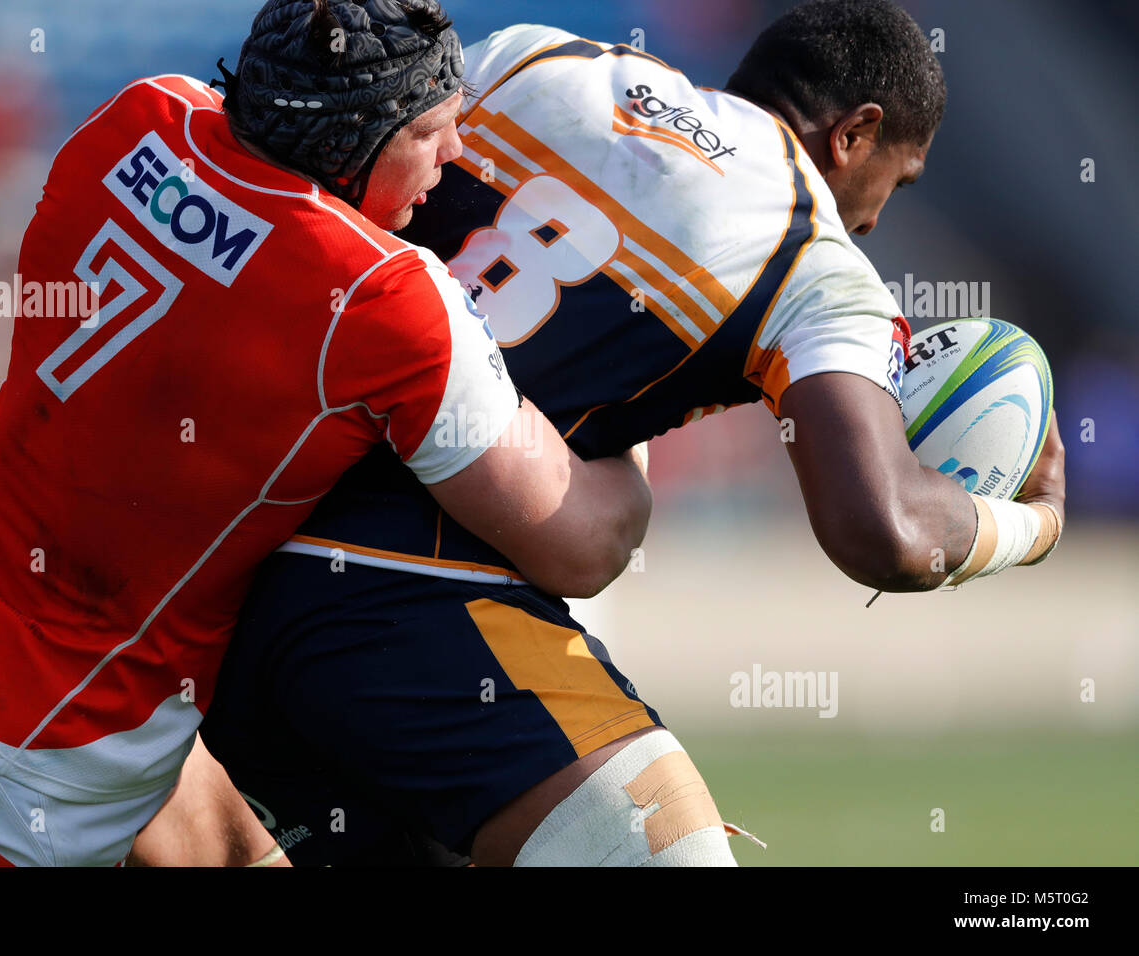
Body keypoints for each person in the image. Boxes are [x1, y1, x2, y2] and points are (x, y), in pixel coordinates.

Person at [196, 1, 1066, 867]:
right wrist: (1038, 525)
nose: (875, 218)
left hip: (217, 554)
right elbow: (887, 531)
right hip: (412, 604)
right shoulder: (817, 261)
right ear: (855, 133)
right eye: (897, 180)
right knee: (665, 849)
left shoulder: (537, 58)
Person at [0, 0, 653, 868]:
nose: (455, 156)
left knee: (240, 845)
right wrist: (628, 395)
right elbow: (584, 547)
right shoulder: (385, 300)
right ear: (358, 143)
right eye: (432, 131)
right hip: (69, 723)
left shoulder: (142, 112)